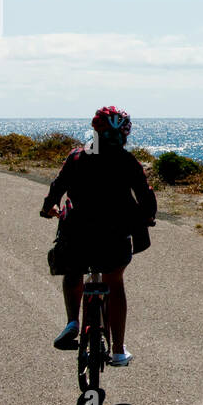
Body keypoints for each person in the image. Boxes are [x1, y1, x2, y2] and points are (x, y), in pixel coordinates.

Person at [40, 106, 157, 366]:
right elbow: (146, 196)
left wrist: (49, 207)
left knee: (74, 271)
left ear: (96, 130)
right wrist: (148, 216)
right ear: (124, 135)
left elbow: (57, 186)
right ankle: (117, 350)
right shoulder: (128, 162)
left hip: (77, 233)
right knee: (114, 282)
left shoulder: (78, 157)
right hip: (114, 236)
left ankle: (73, 321)